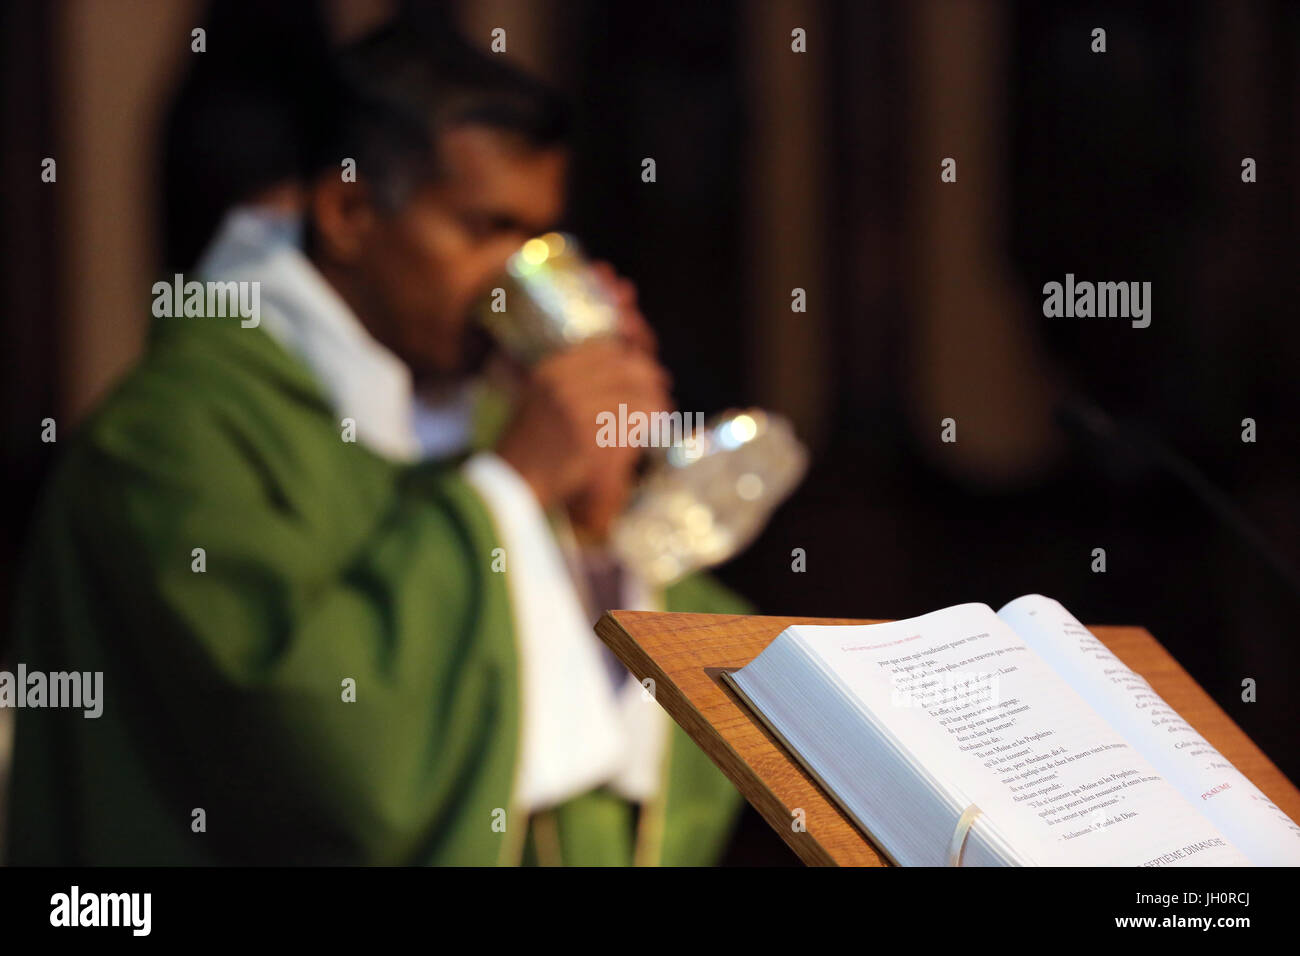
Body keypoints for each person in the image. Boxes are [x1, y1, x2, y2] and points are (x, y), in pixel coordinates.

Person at [6, 14, 747, 866]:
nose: (517, 275)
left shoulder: (493, 414)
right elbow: (342, 771)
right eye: (487, 230)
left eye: (540, 237)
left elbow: (690, 739)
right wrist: (509, 492)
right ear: (351, 211)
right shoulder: (173, 440)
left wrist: (596, 524)